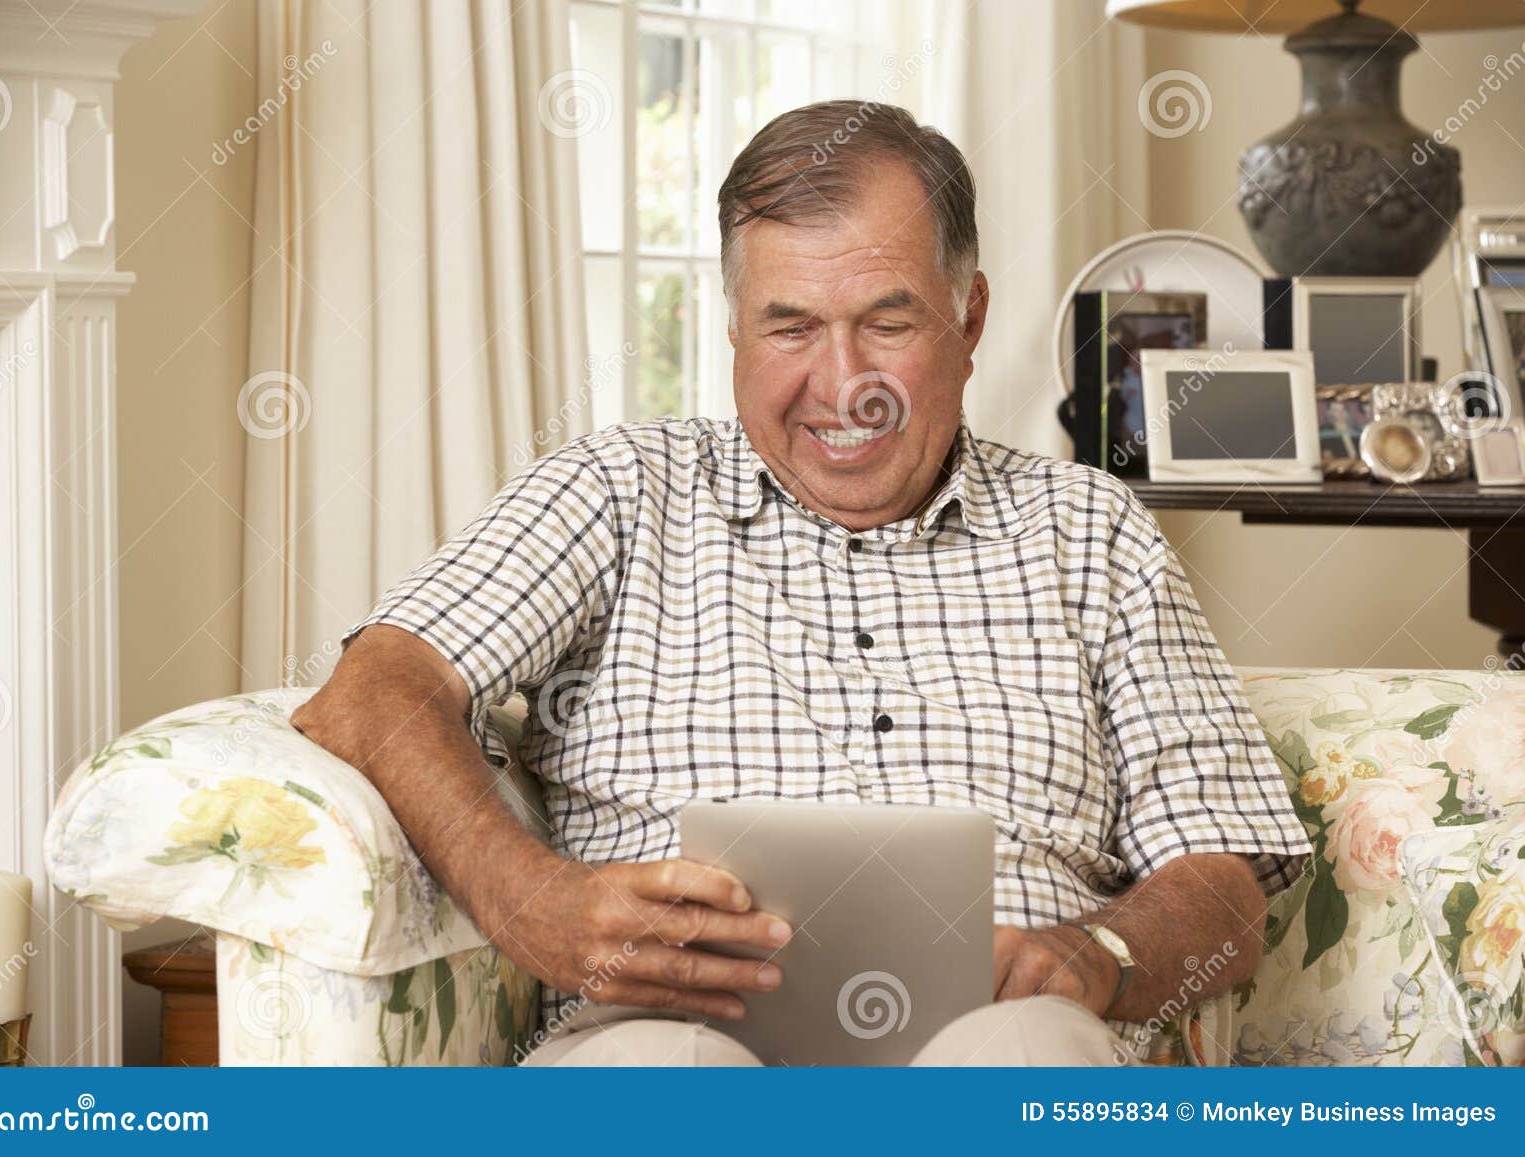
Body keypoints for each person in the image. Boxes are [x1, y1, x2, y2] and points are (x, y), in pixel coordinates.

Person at [291, 100, 1310, 1067]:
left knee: (1022, 1057)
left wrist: (1101, 952)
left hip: (1009, 1033)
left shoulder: (1090, 531)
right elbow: (373, 688)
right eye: (790, 326)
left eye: (888, 321)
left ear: (970, 317)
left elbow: (1221, 881)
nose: (843, 382)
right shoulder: (616, 490)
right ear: (734, 328)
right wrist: (530, 899)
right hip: (659, 1032)